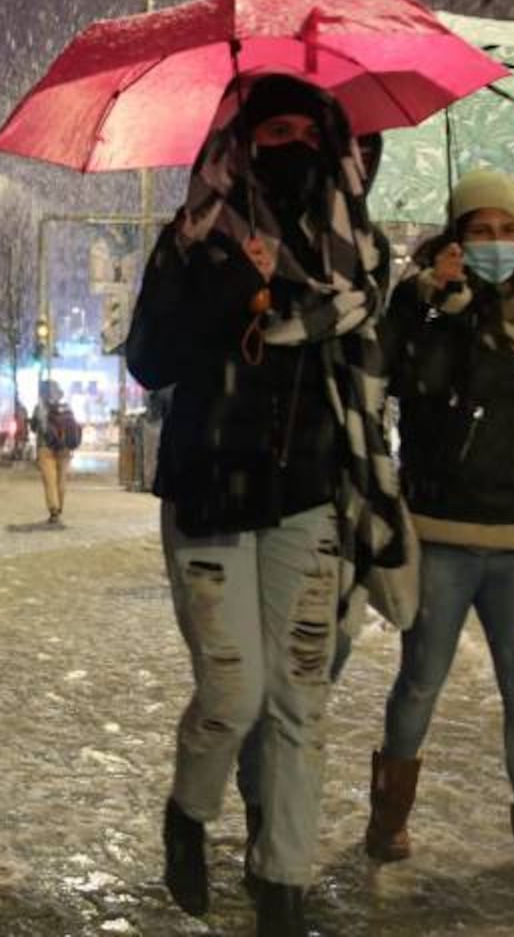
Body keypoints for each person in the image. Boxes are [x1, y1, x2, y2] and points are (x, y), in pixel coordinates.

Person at [127, 75, 404, 937]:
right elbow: (148, 358)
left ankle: (282, 886)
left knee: (299, 698)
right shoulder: (195, 238)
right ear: (239, 143)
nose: (288, 145)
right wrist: (229, 291)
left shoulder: (353, 255)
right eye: (270, 130)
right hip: (210, 495)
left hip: (307, 497)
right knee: (235, 693)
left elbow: (373, 358)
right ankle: (189, 812)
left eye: (304, 132)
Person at [367, 169, 514, 917]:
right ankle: (388, 818)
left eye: (509, 229)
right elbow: (401, 380)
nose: (497, 243)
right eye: (481, 229)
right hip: (444, 535)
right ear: (456, 235)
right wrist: (434, 306)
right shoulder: (424, 302)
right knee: (420, 683)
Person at [33, 381, 79, 523]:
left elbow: (34, 427)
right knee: (61, 479)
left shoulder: (40, 407)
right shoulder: (67, 407)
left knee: (50, 480)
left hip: (45, 447)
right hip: (64, 448)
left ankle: (54, 510)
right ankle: (60, 507)